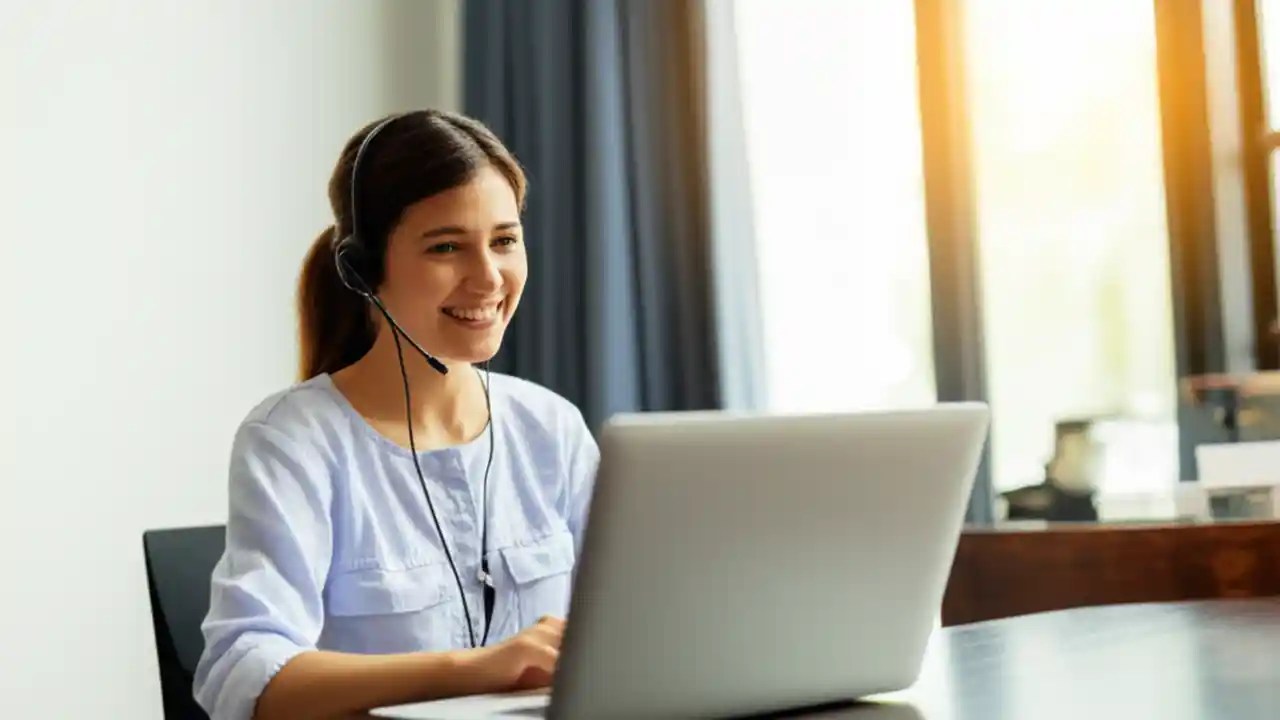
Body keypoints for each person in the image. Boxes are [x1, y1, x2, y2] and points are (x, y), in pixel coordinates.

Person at [193, 109, 599, 720]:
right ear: (364, 270)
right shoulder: (293, 440)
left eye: (504, 240)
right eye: (446, 247)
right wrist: (480, 668)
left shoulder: (552, 428)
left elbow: (635, 622)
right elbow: (247, 678)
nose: (488, 277)